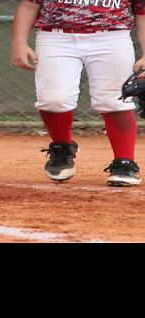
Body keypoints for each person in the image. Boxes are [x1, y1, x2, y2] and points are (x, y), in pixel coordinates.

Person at [12, 0, 145, 187]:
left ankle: (125, 162)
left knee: (115, 101)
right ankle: (62, 147)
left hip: (113, 37)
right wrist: (19, 42)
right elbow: (29, 5)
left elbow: (142, 12)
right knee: (53, 100)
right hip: (55, 37)